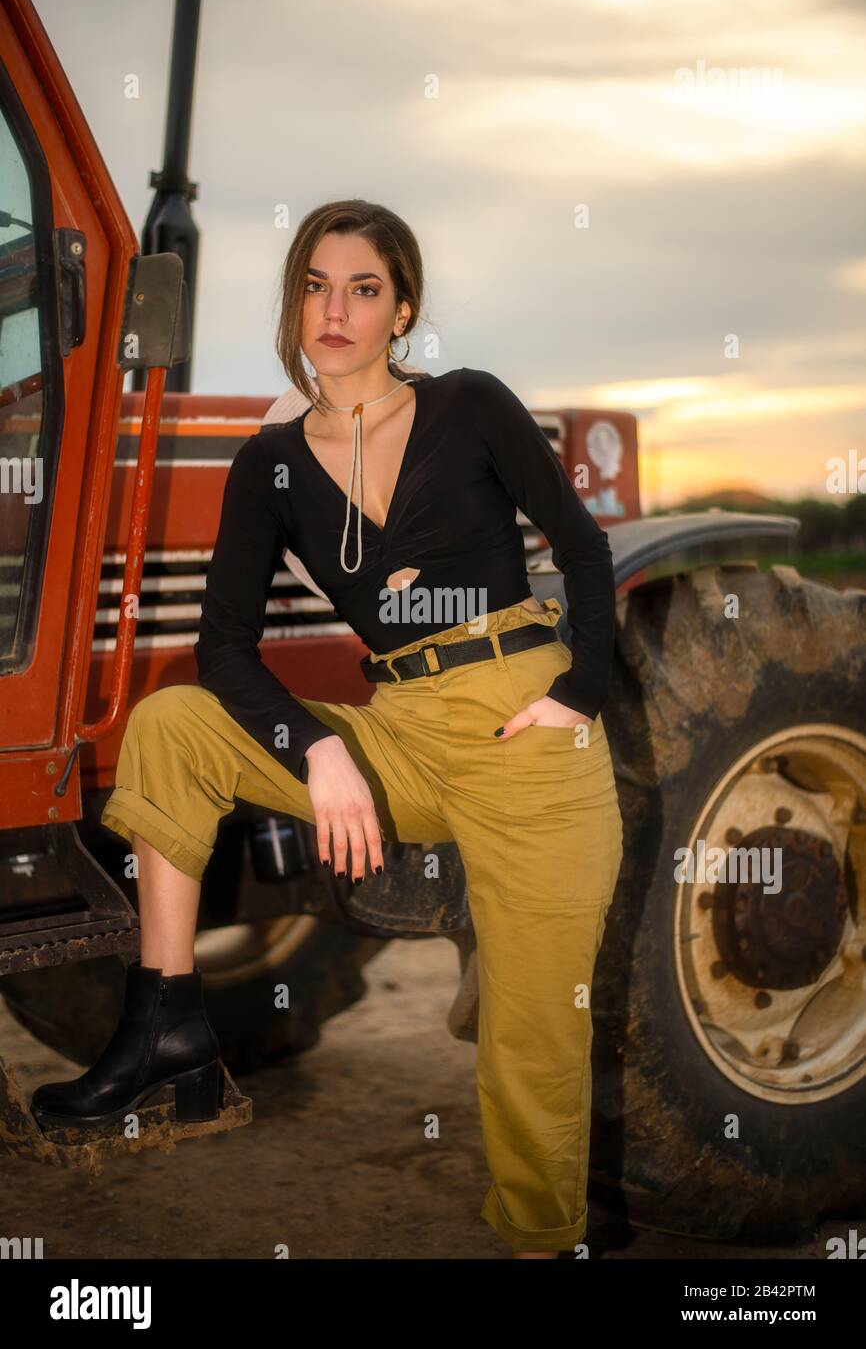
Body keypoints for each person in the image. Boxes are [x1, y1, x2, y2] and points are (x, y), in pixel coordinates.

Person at [31, 199, 623, 1259]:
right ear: (293, 304)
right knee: (174, 723)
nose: (334, 309)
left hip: (521, 729)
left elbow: (582, 548)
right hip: (396, 725)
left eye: (361, 289)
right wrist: (319, 745)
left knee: (529, 1038)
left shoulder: (468, 405)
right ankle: (168, 1024)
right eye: (314, 285)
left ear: (402, 311)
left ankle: (546, 1244)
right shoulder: (267, 465)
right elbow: (224, 651)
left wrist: (576, 695)